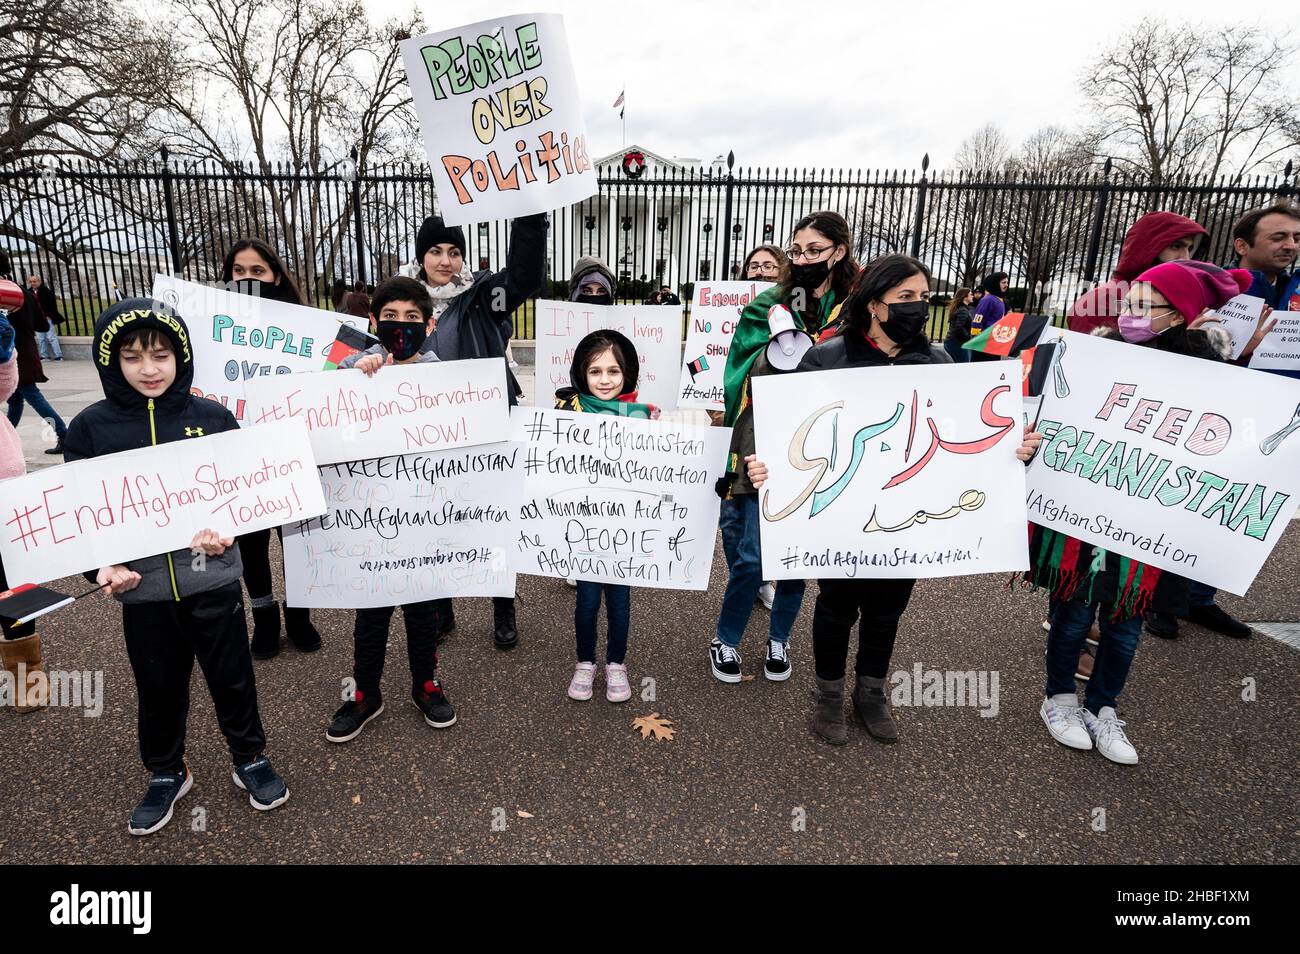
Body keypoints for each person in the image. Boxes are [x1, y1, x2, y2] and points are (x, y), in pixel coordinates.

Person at [745, 254, 1042, 744]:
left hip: (908, 515)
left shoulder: (938, 362)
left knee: (888, 608)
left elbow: (965, 439)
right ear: (874, 304)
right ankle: (827, 696)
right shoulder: (826, 357)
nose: (919, 307)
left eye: (924, 298)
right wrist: (764, 467)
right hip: (841, 514)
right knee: (837, 605)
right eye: (906, 298)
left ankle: (871, 693)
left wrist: (1013, 451)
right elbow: (792, 437)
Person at [63, 299, 288, 834]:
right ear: (109, 360)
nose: (149, 368)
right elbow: (75, 518)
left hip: (211, 582)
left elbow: (245, 497)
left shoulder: (212, 418)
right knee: (158, 686)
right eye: (133, 356)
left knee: (232, 678)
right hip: (142, 593)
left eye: (161, 354)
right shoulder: (89, 429)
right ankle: (167, 770)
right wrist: (100, 568)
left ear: (180, 357)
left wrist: (231, 528)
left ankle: (250, 757)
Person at [1032, 260, 1255, 765]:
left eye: (1142, 306)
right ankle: (1059, 699)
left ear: (1177, 316)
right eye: (1128, 302)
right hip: (1088, 518)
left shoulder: (1207, 375)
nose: (1127, 312)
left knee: (1126, 624)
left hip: (1150, 525)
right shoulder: (1100, 355)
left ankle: (1104, 708)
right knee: (1071, 615)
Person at [711, 212, 859, 684]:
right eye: (797, 251)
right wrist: (777, 348)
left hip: (829, 442)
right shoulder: (772, 302)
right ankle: (726, 638)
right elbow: (738, 369)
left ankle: (780, 638)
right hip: (767, 439)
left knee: (797, 557)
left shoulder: (857, 304)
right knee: (754, 556)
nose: (803, 260)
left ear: (839, 250)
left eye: (814, 251)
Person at [325, 277, 457, 741]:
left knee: (424, 612)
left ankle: (426, 685)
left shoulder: (445, 378)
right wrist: (357, 371)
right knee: (372, 612)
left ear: (430, 323)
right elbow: (320, 413)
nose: (402, 327)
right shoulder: (355, 369)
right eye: (392, 318)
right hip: (370, 516)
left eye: (413, 319)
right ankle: (365, 694)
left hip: (422, 517)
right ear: (373, 321)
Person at [414, 212, 547, 650]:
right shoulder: (404, 302)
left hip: (487, 426)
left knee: (494, 519)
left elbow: (525, 276)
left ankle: (502, 604)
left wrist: (528, 216)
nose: (446, 260)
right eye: (436, 251)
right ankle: (442, 608)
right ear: (421, 256)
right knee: (437, 521)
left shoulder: (484, 296)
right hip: (425, 435)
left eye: (454, 251)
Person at [217, 238, 321, 657]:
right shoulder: (213, 325)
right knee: (252, 545)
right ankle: (264, 618)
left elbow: (336, 361)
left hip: (291, 451)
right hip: (240, 455)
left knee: (298, 541)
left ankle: (300, 617)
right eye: (239, 272)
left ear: (276, 275)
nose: (247, 279)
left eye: (257, 271)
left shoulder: (304, 325)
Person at [554, 329, 659, 703]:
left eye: (613, 371)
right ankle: (585, 662)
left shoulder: (644, 417)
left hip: (625, 532)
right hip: (584, 529)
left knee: (619, 603)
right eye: (595, 371)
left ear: (627, 374)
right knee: (585, 603)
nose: (604, 380)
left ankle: (616, 663)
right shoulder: (565, 413)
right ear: (581, 373)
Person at [0, 303, 46, 712]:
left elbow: (4, 387)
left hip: (3, 486)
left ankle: (26, 681)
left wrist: (4, 351)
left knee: (13, 590)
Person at [1068, 211, 1206, 335]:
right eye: (1176, 246)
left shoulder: (1163, 297)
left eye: (1190, 248)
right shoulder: (1103, 300)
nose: (1186, 258)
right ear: (1148, 248)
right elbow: (1088, 358)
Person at [2, 260, 66, 455]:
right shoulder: (25, 294)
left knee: (33, 397)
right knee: (15, 401)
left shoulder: (6, 296)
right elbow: (42, 325)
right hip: (27, 352)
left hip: (15, 355)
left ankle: (63, 433)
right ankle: (6, 441)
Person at [27, 275, 63, 361]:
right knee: (41, 338)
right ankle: (44, 356)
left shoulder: (46, 291)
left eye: (34, 281)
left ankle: (58, 355)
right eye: (31, 282)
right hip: (36, 318)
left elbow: (52, 305)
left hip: (47, 317)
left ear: (39, 281)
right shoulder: (29, 292)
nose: (32, 283)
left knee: (51, 337)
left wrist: (49, 316)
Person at [943, 287, 974, 362]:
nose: (972, 296)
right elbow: (958, 328)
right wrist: (968, 337)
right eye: (971, 294)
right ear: (964, 297)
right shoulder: (963, 310)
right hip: (957, 344)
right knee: (963, 368)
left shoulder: (960, 308)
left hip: (953, 342)